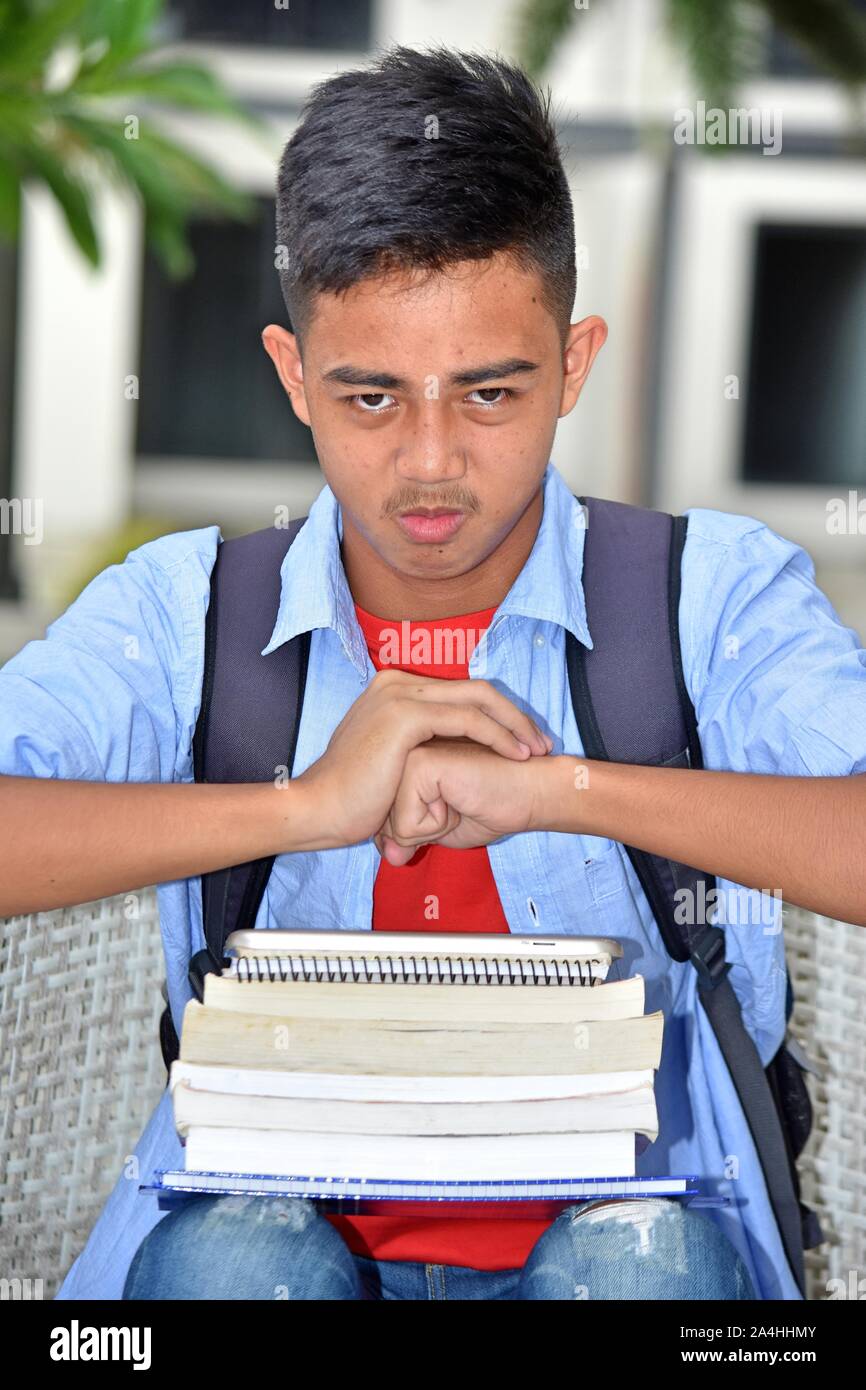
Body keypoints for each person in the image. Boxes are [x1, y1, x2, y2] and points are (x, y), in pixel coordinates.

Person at [2, 46, 864, 1302]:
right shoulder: (186, 609)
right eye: (367, 397)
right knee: (232, 1272)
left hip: (639, 1230)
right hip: (265, 1227)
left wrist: (560, 787)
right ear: (293, 375)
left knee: (642, 1274)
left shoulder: (706, 594)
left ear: (572, 364)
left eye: (488, 392)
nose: (427, 463)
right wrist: (303, 809)